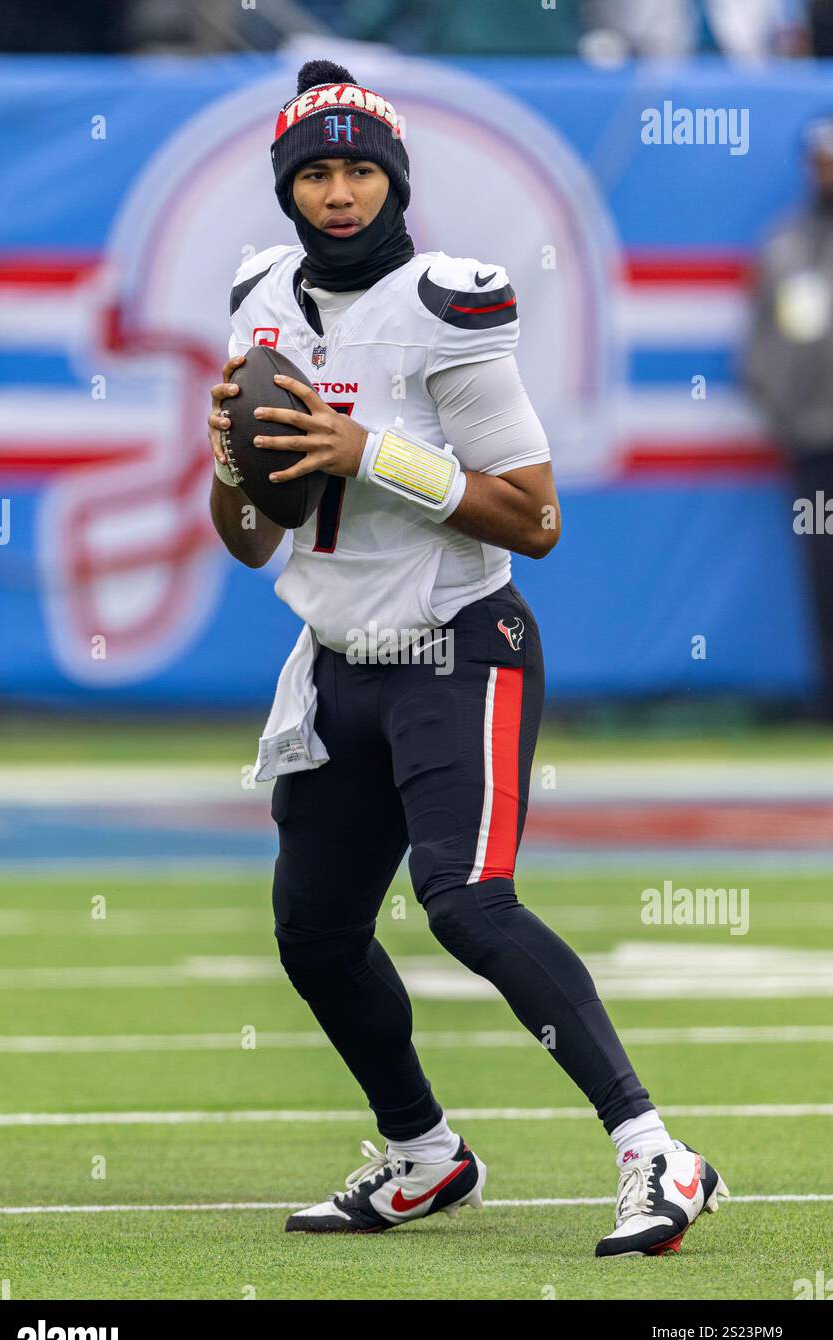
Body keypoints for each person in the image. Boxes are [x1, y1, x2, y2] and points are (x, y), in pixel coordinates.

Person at [207, 59, 728, 1255]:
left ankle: (658, 1152)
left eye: (358, 170)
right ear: (288, 189)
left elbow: (534, 520)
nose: (339, 194)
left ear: (395, 181)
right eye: (317, 173)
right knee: (314, 930)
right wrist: (235, 465)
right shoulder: (260, 298)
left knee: (465, 902)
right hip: (338, 660)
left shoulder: (446, 302)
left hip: (459, 644)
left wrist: (365, 451)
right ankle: (423, 1153)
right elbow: (245, 543)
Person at [745, 115, 833, 719]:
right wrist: (784, 414)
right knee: (822, 571)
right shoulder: (785, 244)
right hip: (815, 442)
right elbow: (758, 344)